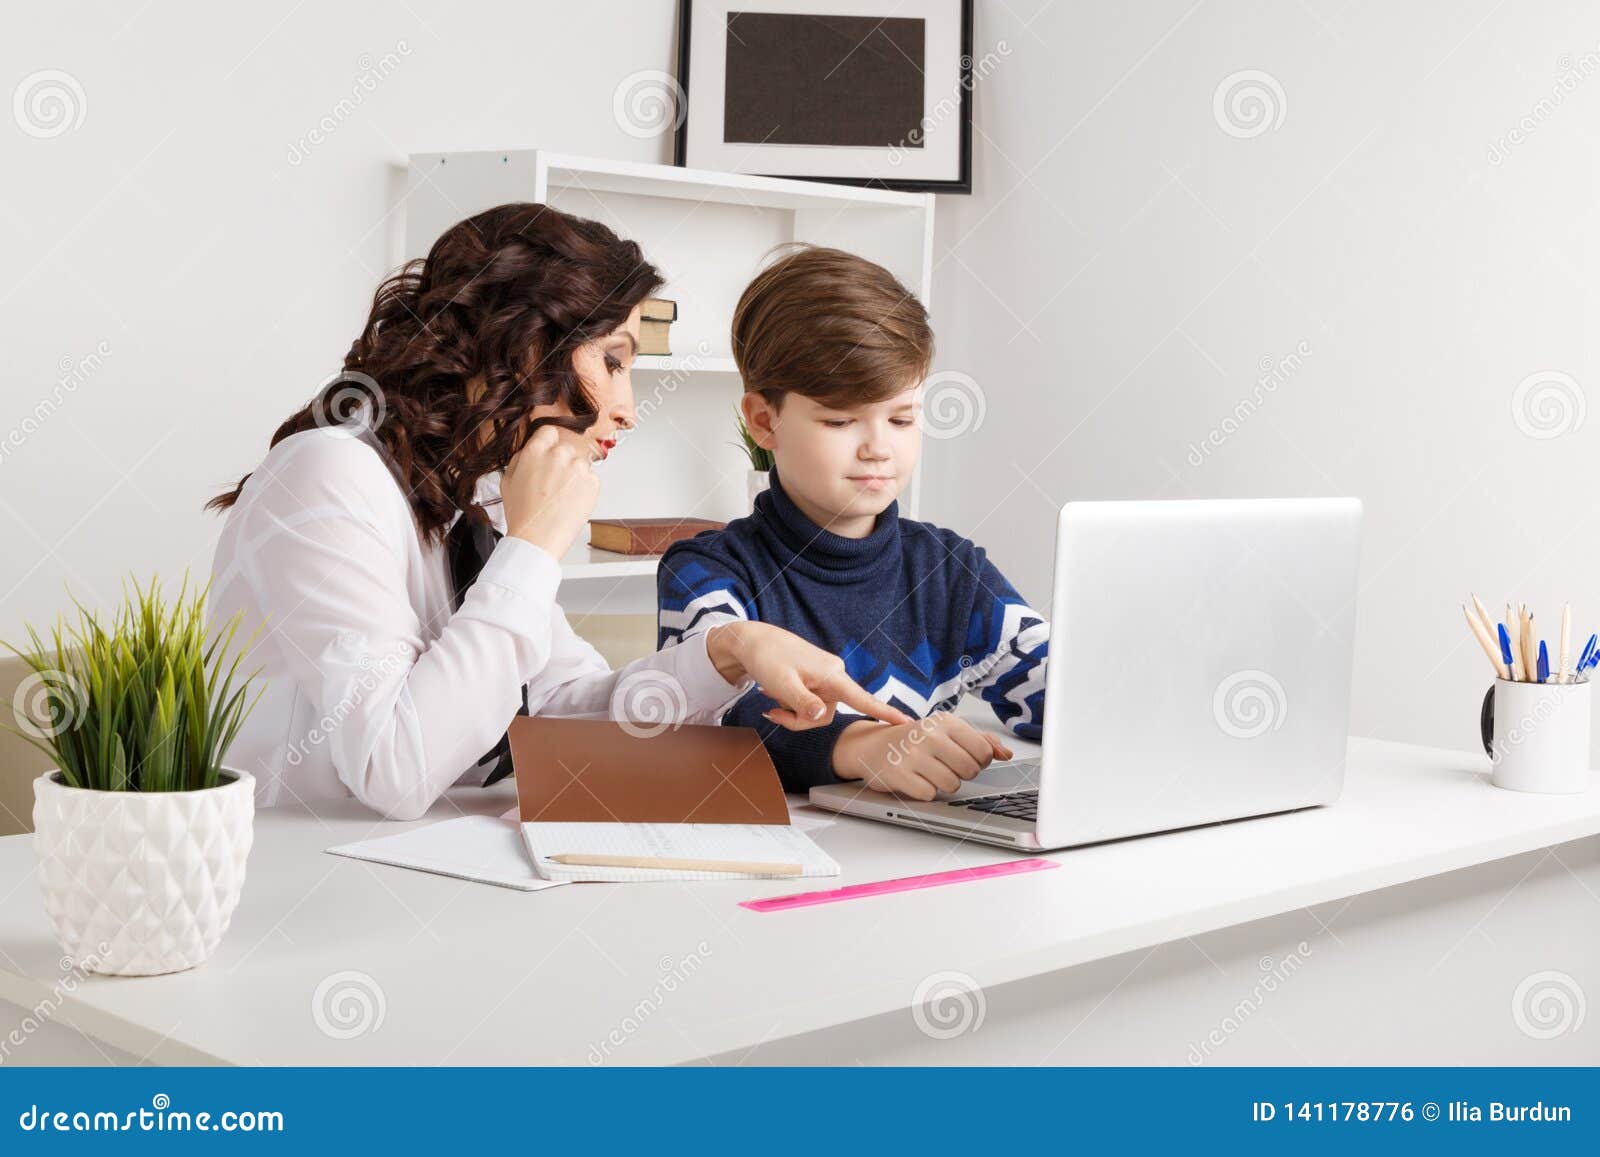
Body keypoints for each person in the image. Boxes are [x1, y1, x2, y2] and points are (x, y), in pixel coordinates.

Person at [206, 206, 906, 820]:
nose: (628, 409)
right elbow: (396, 767)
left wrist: (729, 652)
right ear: (526, 343)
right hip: (306, 885)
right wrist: (535, 544)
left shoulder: (475, 498)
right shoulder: (330, 474)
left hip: (433, 875)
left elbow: (568, 708)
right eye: (614, 359)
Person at [657, 245, 1049, 799]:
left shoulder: (950, 570)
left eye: (902, 418)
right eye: (841, 420)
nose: (878, 448)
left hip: (923, 853)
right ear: (765, 422)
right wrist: (862, 747)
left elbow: (1054, 688)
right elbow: (716, 722)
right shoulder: (709, 571)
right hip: (782, 856)